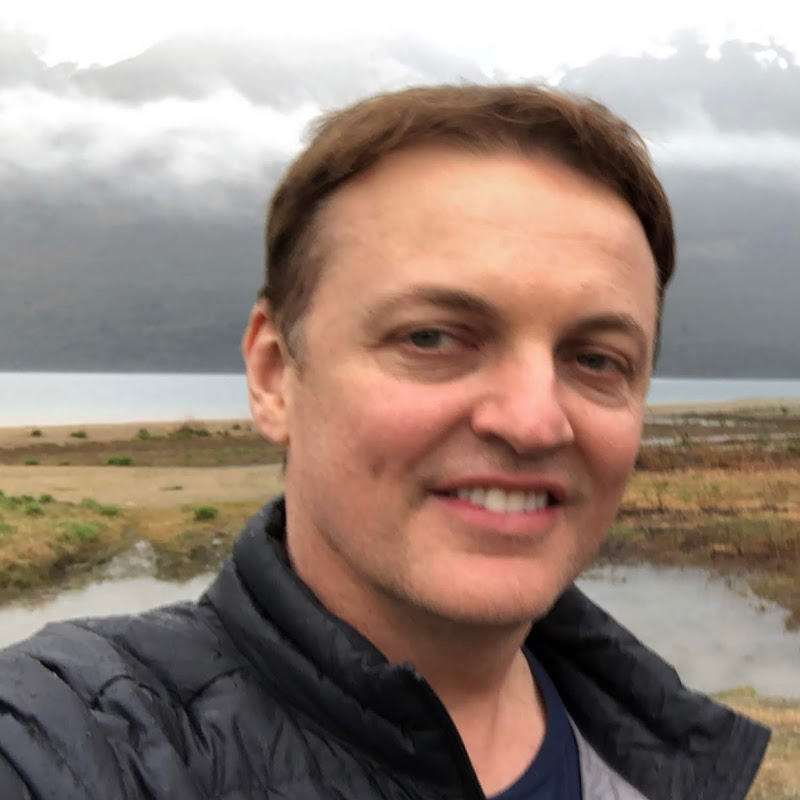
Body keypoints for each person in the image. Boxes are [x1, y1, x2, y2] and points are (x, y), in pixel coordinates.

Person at [0, 85, 769, 799]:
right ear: (274, 374)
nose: (534, 423)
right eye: (431, 337)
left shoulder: (645, 753)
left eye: (597, 360)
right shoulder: (79, 739)